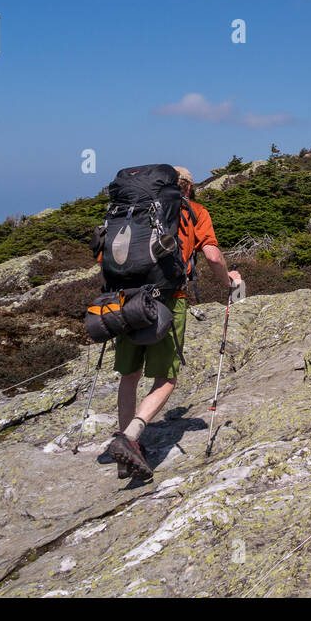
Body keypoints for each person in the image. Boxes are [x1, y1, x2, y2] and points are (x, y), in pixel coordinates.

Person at [105, 166, 242, 480]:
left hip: (125, 298)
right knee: (166, 379)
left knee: (129, 375)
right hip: (167, 298)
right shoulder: (193, 211)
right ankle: (130, 438)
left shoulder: (129, 211)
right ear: (189, 187)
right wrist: (228, 281)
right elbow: (213, 257)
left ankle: (125, 456)